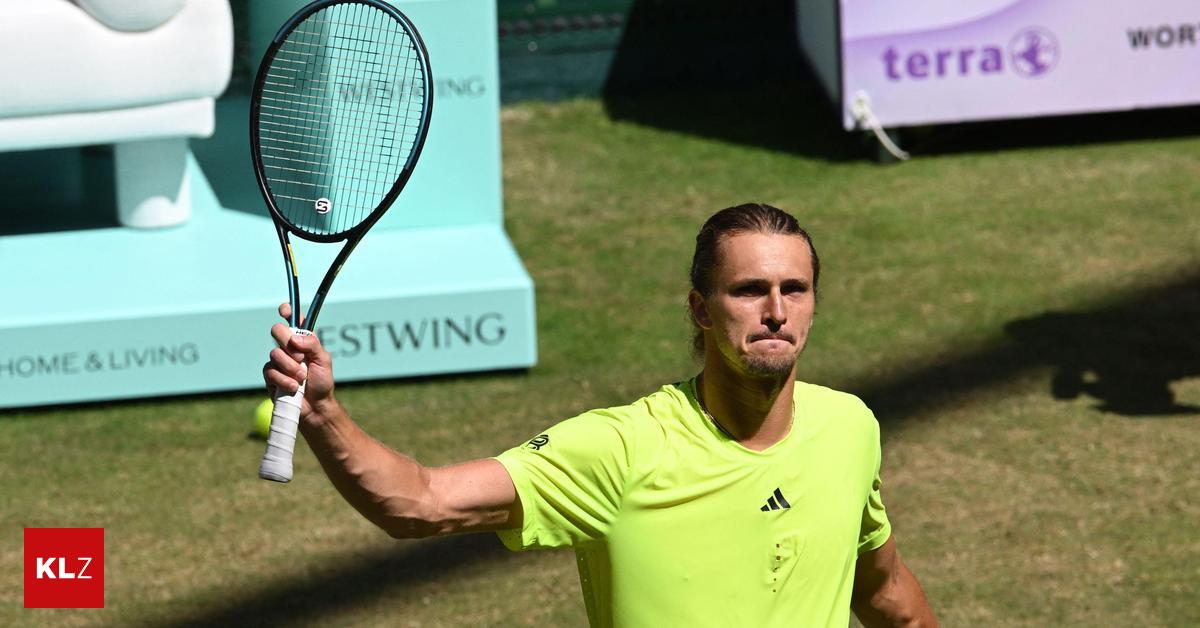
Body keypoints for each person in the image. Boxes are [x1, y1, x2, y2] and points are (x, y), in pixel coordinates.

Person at [263, 203, 938, 627]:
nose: (775, 311)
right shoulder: (619, 451)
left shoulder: (849, 429)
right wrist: (322, 413)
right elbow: (422, 502)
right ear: (702, 310)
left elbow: (885, 597)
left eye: (795, 289)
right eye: (748, 290)